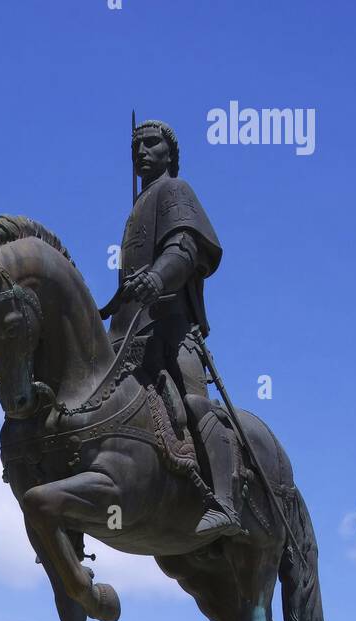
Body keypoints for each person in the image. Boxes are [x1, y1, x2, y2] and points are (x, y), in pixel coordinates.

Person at [108, 119, 242, 539]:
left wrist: (158, 278)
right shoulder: (135, 209)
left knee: (195, 403)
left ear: (171, 153)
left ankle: (225, 501)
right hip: (128, 333)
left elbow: (184, 248)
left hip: (171, 327)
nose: (141, 152)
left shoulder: (175, 191)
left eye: (151, 144)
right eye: (136, 147)